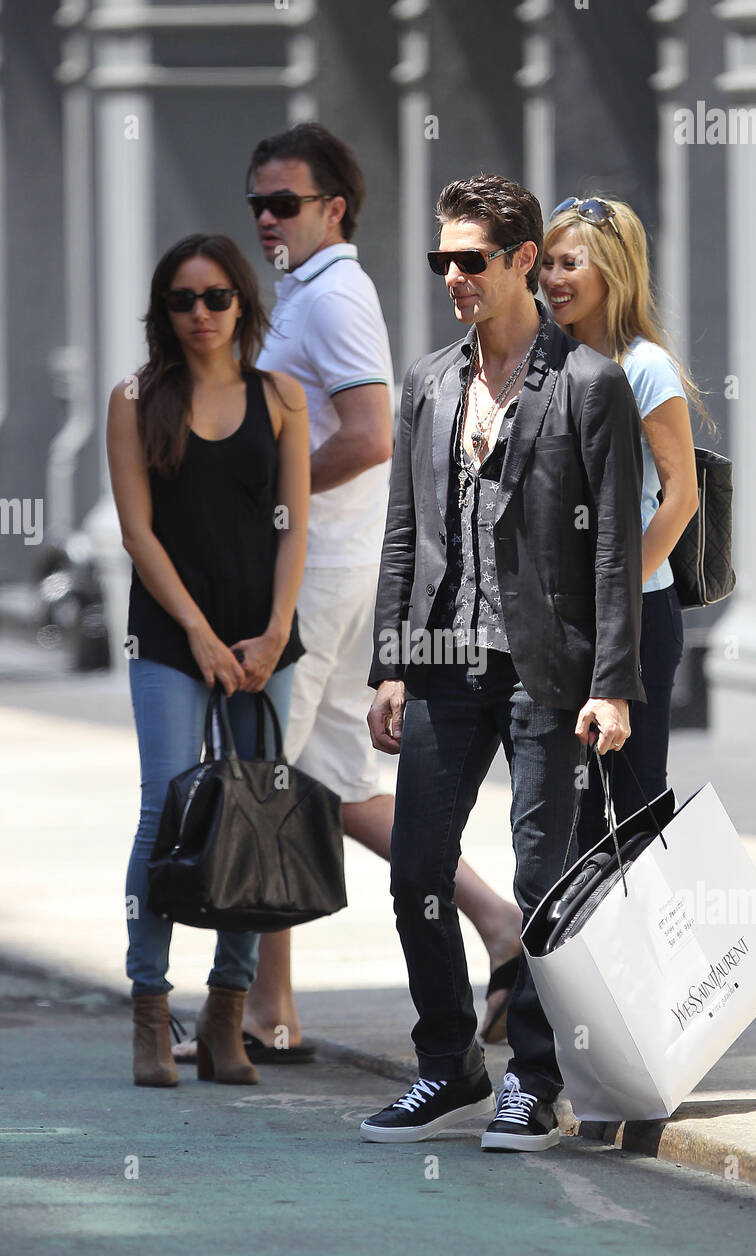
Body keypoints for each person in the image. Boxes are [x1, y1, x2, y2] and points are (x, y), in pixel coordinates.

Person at [172, 124, 526, 1067]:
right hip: (328, 564)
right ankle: (497, 923)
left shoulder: (335, 298)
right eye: (256, 202)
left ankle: (258, 1006)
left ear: (336, 207)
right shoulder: (305, 295)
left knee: (265, 778)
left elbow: (371, 435)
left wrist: (262, 499)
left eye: (284, 202)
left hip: (322, 570)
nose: (265, 218)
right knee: (321, 781)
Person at [360, 175, 645, 1152]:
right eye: (440, 260)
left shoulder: (588, 383)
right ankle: (446, 1063)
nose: (451, 276)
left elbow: (611, 545)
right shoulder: (430, 381)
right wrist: (390, 662)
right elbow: (403, 531)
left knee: (539, 879)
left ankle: (534, 1078)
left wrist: (611, 682)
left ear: (522, 260)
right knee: (414, 872)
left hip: (544, 667)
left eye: (468, 259)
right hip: (441, 659)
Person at [107, 233, 309, 1087]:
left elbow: (296, 524)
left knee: (254, 818)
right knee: (165, 808)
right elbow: (136, 531)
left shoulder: (282, 398)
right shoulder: (135, 399)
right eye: (183, 300)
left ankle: (227, 1017)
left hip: (266, 643)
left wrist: (272, 631)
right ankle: (151, 1014)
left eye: (215, 297)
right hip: (170, 637)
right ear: (165, 311)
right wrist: (194, 630)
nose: (200, 314)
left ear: (242, 304)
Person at [539, 196, 702, 852]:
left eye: (570, 263)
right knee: (565, 822)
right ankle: (575, 955)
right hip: (559, 622)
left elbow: (681, 495)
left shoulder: (644, 367)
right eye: (545, 263)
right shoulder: (544, 364)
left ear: (613, 269)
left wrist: (614, 597)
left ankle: (656, 955)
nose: (552, 277)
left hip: (635, 615)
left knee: (633, 818)